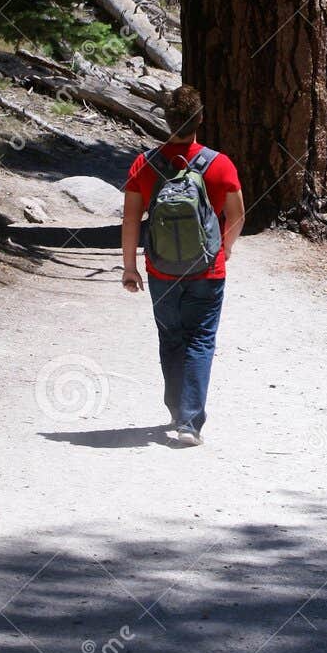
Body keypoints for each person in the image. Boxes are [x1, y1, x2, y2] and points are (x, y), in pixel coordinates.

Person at [122, 85, 244, 446]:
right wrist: (224, 248)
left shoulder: (143, 165)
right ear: (200, 119)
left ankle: (177, 409)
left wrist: (129, 267)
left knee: (171, 338)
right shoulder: (219, 164)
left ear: (167, 120)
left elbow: (131, 220)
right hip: (207, 270)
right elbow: (236, 215)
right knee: (201, 339)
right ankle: (189, 423)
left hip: (161, 272)